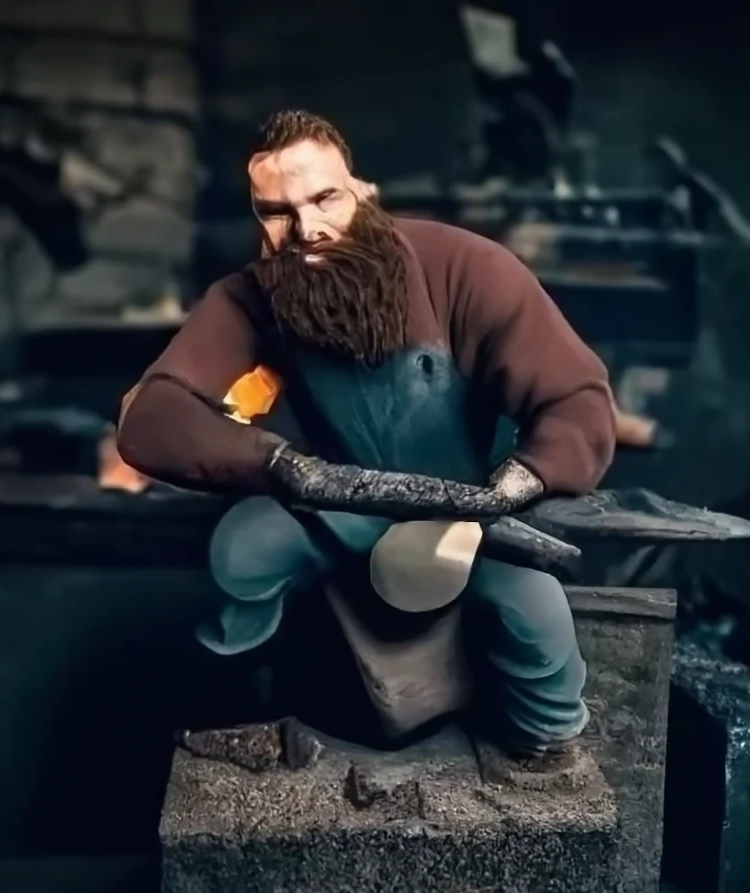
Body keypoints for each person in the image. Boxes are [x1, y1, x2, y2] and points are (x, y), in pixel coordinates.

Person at [116, 109, 616, 757]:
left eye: (325, 198)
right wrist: (286, 467)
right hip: (337, 507)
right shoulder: (252, 297)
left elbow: (576, 398)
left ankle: (547, 747)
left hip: (464, 518)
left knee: (533, 610)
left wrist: (513, 486)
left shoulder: (467, 269)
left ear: (363, 193)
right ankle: (233, 719)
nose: (307, 229)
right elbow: (152, 414)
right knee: (242, 550)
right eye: (276, 212)